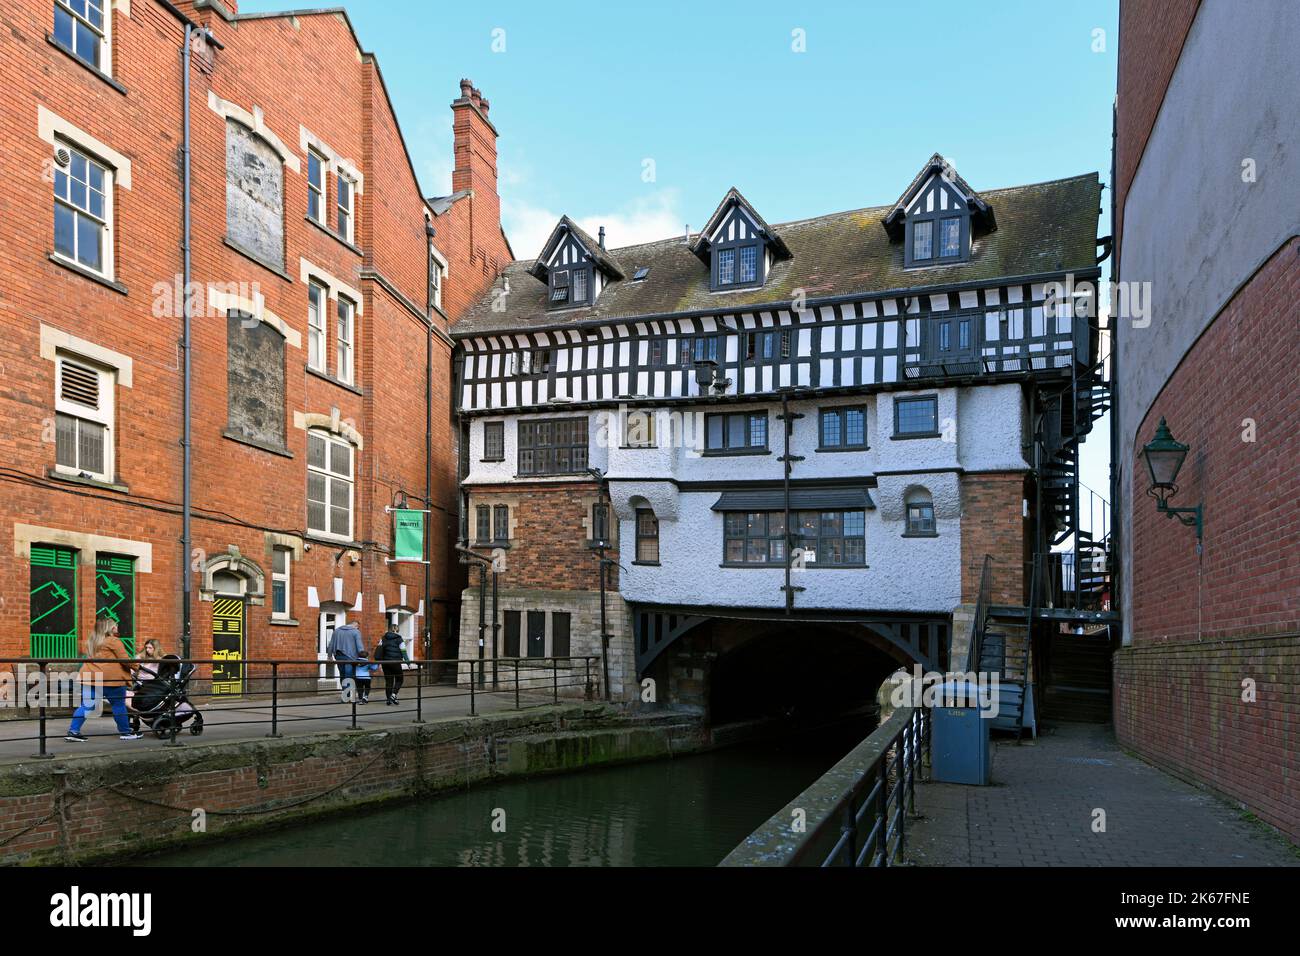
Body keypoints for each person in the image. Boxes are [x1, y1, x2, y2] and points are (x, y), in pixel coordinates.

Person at [66, 616, 141, 741]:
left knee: (86, 706)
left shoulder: (92, 640)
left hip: (90, 678)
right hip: (110, 680)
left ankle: (73, 731)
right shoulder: (113, 641)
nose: (117, 627)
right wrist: (137, 667)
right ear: (111, 627)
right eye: (115, 625)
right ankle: (126, 732)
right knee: (118, 705)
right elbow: (125, 660)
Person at [326, 621, 366, 703]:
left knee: (343, 675)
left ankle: (345, 696)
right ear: (356, 626)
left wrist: (329, 656)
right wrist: (363, 658)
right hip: (350, 657)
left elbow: (331, 644)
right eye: (358, 627)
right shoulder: (356, 632)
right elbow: (359, 646)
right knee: (349, 676)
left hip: (339, 656)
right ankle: (347, 697)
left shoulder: (336, 631)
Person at [377, 625, 409, 705]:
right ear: (397, 630)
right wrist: (408, 663)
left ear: (389, 630)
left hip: (385, 663)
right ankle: (393, 695)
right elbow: (404, 651)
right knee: (399, 679)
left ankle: (389, 699)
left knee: (389, 681)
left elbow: (379, 649)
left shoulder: (383, 638)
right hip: (396, 662)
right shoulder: (399, 639)